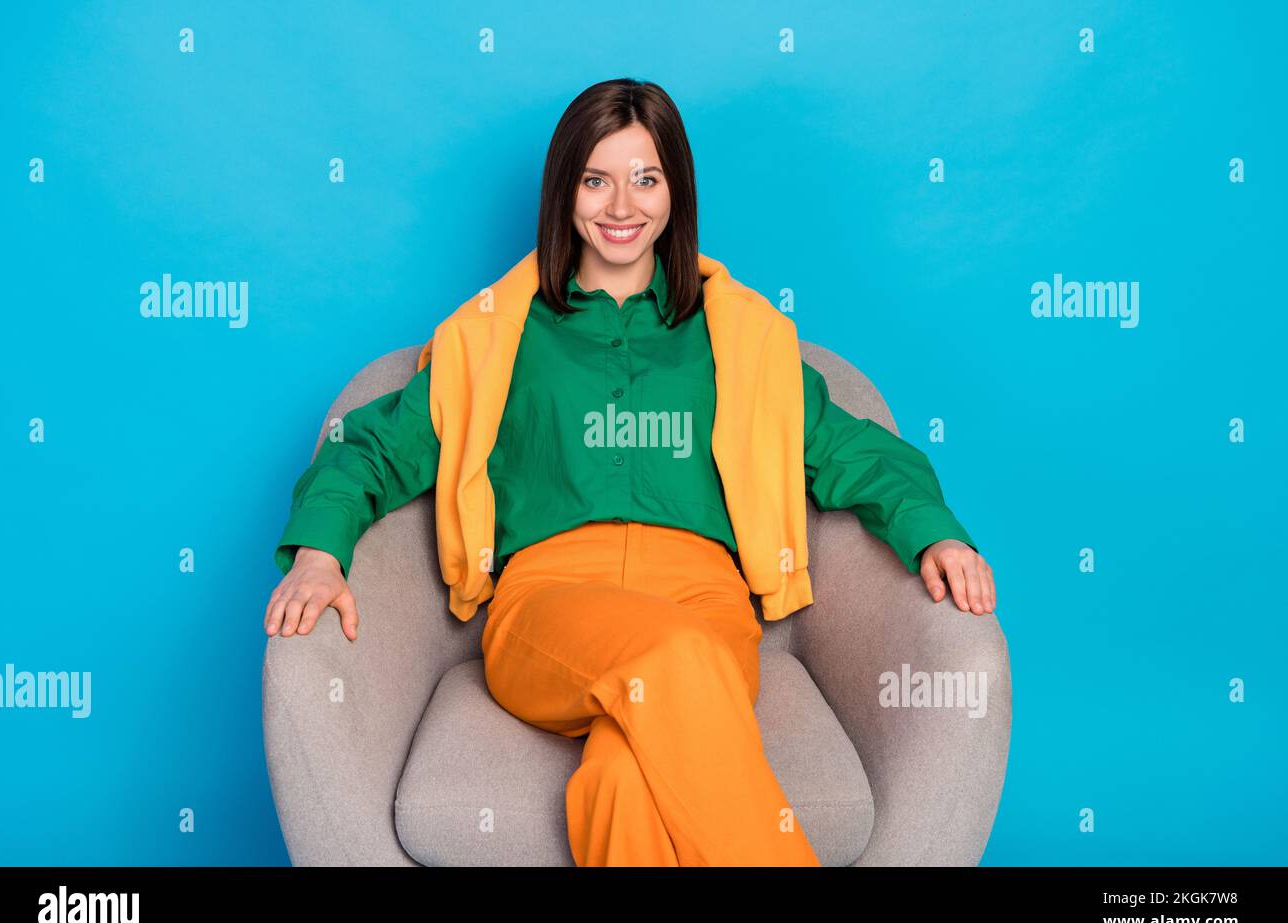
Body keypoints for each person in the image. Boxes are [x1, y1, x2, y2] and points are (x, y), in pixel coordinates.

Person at [264, 78, 996, 866]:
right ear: (564, 191)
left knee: (621, 779)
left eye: (646, 178)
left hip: (704, 597)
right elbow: (368, 447)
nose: (622, 206)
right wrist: (319, 552)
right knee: (674, 658)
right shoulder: (499, 340)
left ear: (675, 192)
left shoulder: (737, 340)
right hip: (548, 604)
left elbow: (855, 450)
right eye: (596, 179)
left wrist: (935, 535)